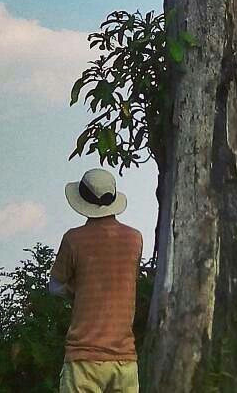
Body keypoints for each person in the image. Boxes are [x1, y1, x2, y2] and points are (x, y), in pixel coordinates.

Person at [48, 166, 143, 393]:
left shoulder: (73, 239)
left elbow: (54, 286)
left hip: (83, 357)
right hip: (125, 358)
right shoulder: (135, 239)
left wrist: (76, 291)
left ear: (82, 201)